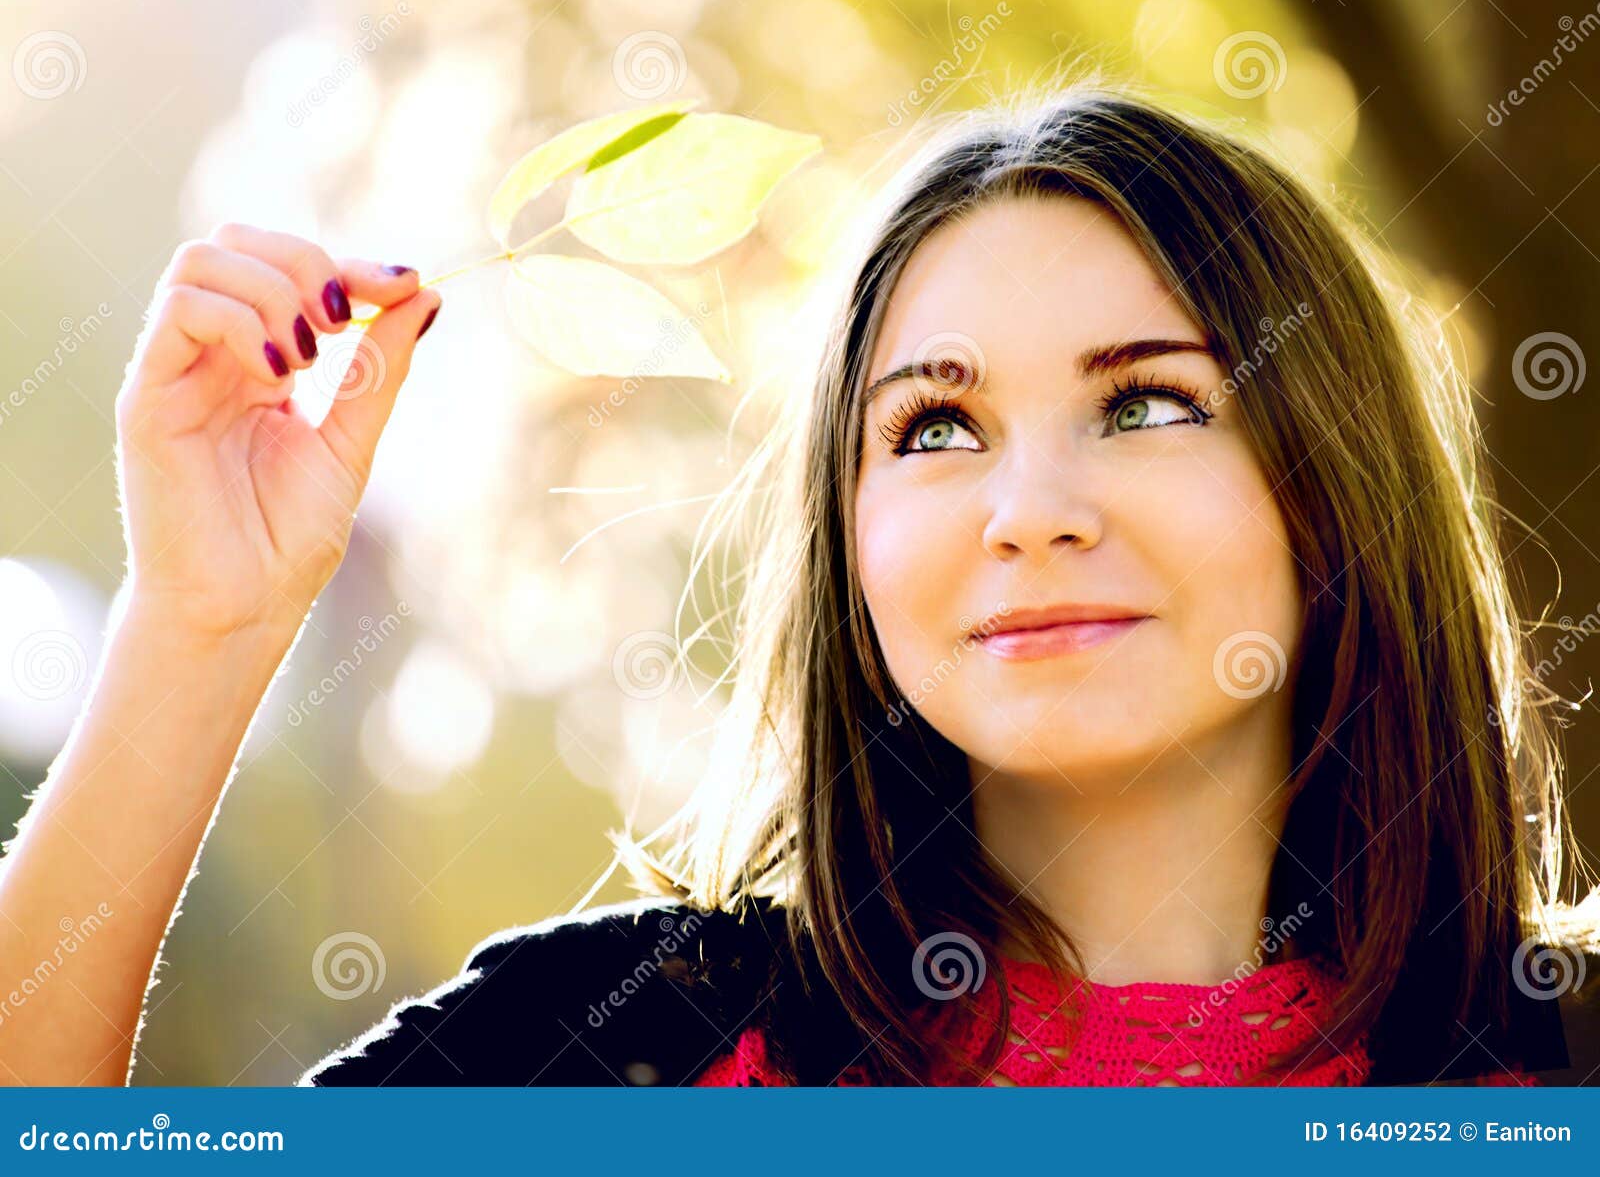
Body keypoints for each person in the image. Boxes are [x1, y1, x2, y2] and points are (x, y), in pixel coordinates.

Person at [1, 82, 1595, 1088]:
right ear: (850, 548)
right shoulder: (615, 1051)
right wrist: (198, 625)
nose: (1029, 514)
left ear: (1335, 485)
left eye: (1146, 404)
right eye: (936, 427)